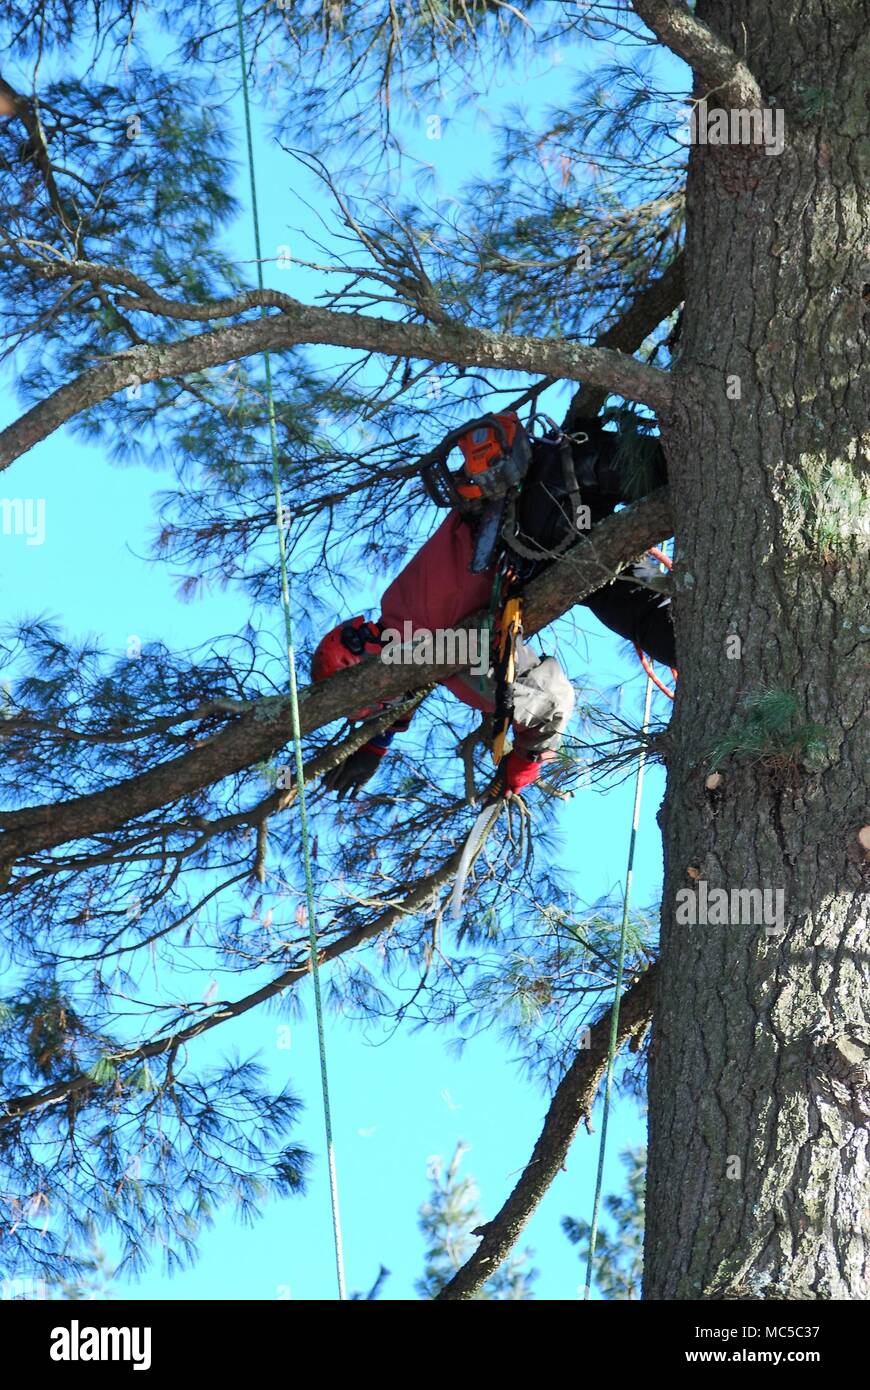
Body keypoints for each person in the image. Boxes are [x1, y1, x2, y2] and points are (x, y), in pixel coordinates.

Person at [311, 414, 675, 800]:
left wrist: (523, 764)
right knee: (702, 464)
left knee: (670, 634)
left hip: (557, 529)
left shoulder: (445, 654)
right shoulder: (401, 604)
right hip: (566, 463)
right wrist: (375, 745)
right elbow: (405, 676)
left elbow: (548, 702)